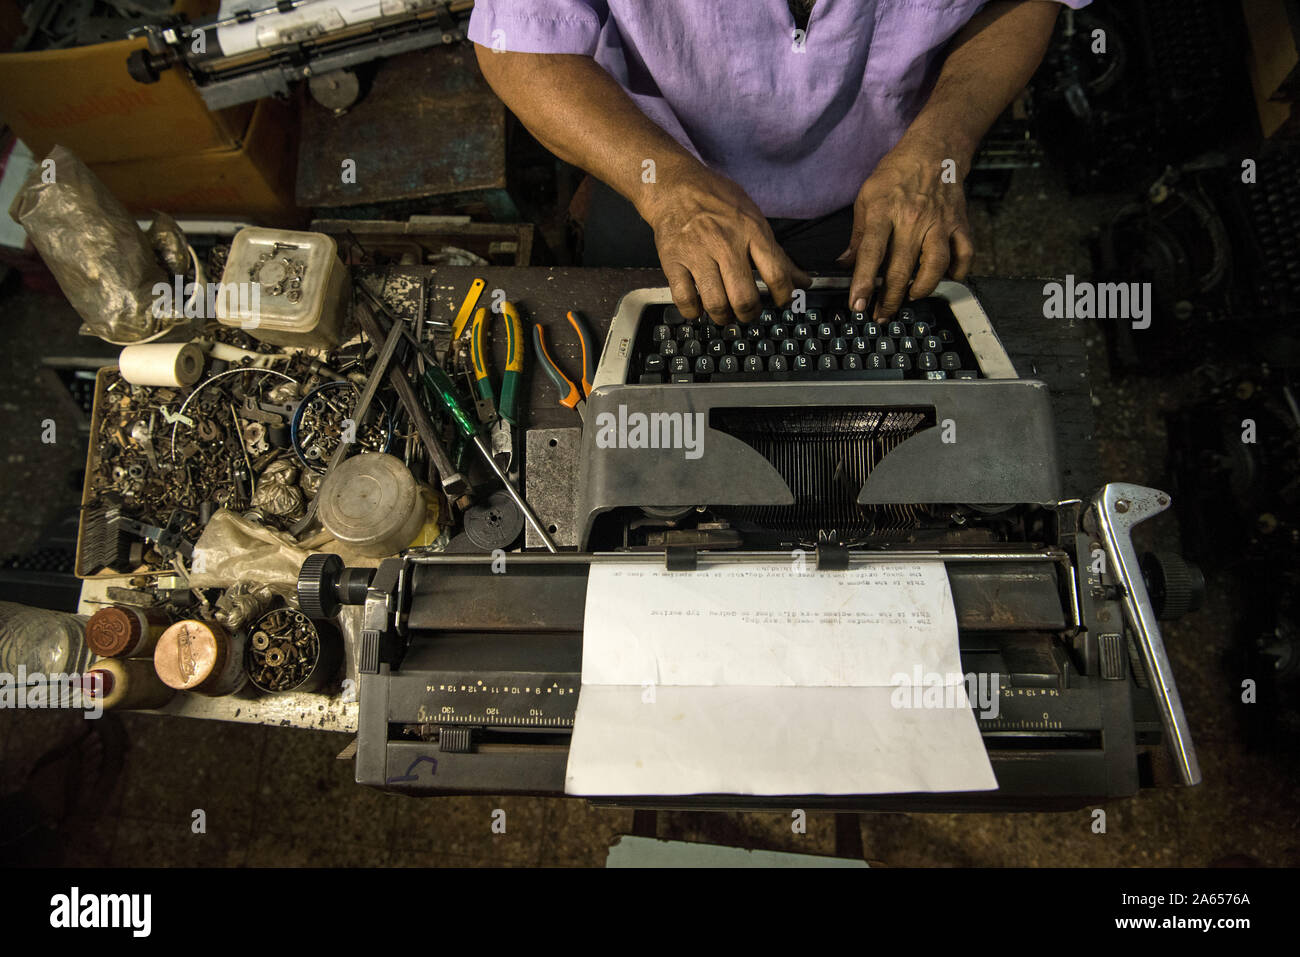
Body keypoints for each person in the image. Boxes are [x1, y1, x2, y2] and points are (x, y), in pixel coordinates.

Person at [468, 0, 1086, 323]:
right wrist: (669, 190)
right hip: (652, 173)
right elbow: (519, 47)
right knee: (638, 395)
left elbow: (1027, 2)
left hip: (888, 185)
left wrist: (941, 148)